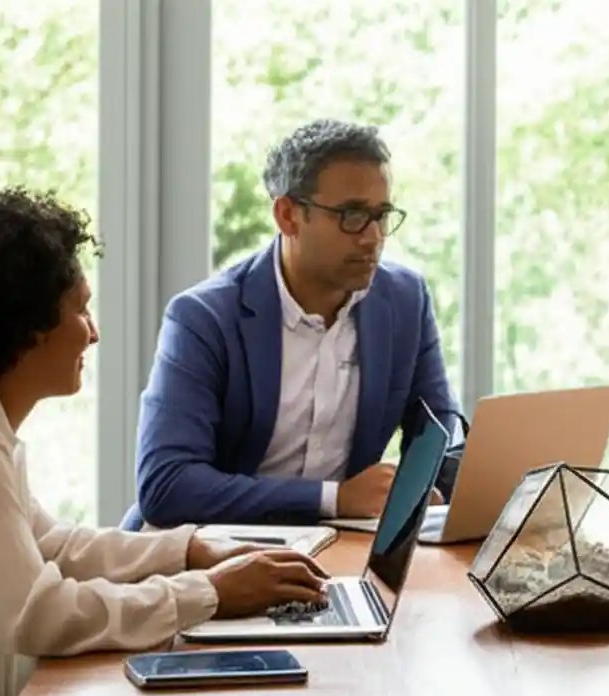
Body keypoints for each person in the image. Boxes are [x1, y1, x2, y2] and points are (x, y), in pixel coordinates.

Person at [0, 189, 329, 696]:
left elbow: (54, 548)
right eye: (80, 309)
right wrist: (208, 593)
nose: (94, 332)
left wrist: (190, 550)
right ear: (25, 328)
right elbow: (29, 615)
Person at [121, 119, 457, 531]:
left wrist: (443, 485)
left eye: (381, 215)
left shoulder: (404, 301)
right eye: (352, 215)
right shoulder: (203, 318)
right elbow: (167, 485)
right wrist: (335, 499)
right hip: (211, 553)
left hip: (336, 551)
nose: (372, 237)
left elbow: (441, 436)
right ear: (288, 215)